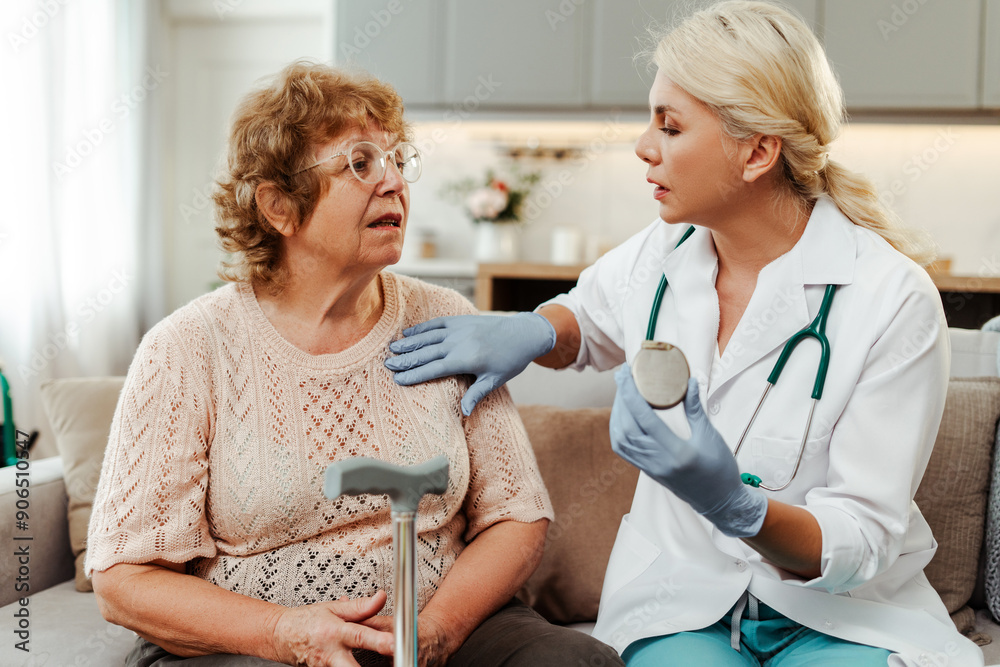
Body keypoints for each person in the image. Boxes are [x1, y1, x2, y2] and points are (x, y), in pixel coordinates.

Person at [385, 2, 984, 665]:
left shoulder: (892, 299)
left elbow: (861, 536)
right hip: (682, 598)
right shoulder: (666, 249)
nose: (644, 146)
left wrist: (736, 506)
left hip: (841, 612)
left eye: (669, 127)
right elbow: (588, 318)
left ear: (756, 151)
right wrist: (531, 329)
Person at [86, 61, 624, 667]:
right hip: (255, 644)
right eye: (361, 163)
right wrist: (288, 633)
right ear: (279, 206)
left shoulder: (442, 316)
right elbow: (124, 578)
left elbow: (517, 516)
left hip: (439, 626)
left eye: (397, 160)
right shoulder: (186, 348)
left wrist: (437, 629)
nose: (393, 181)